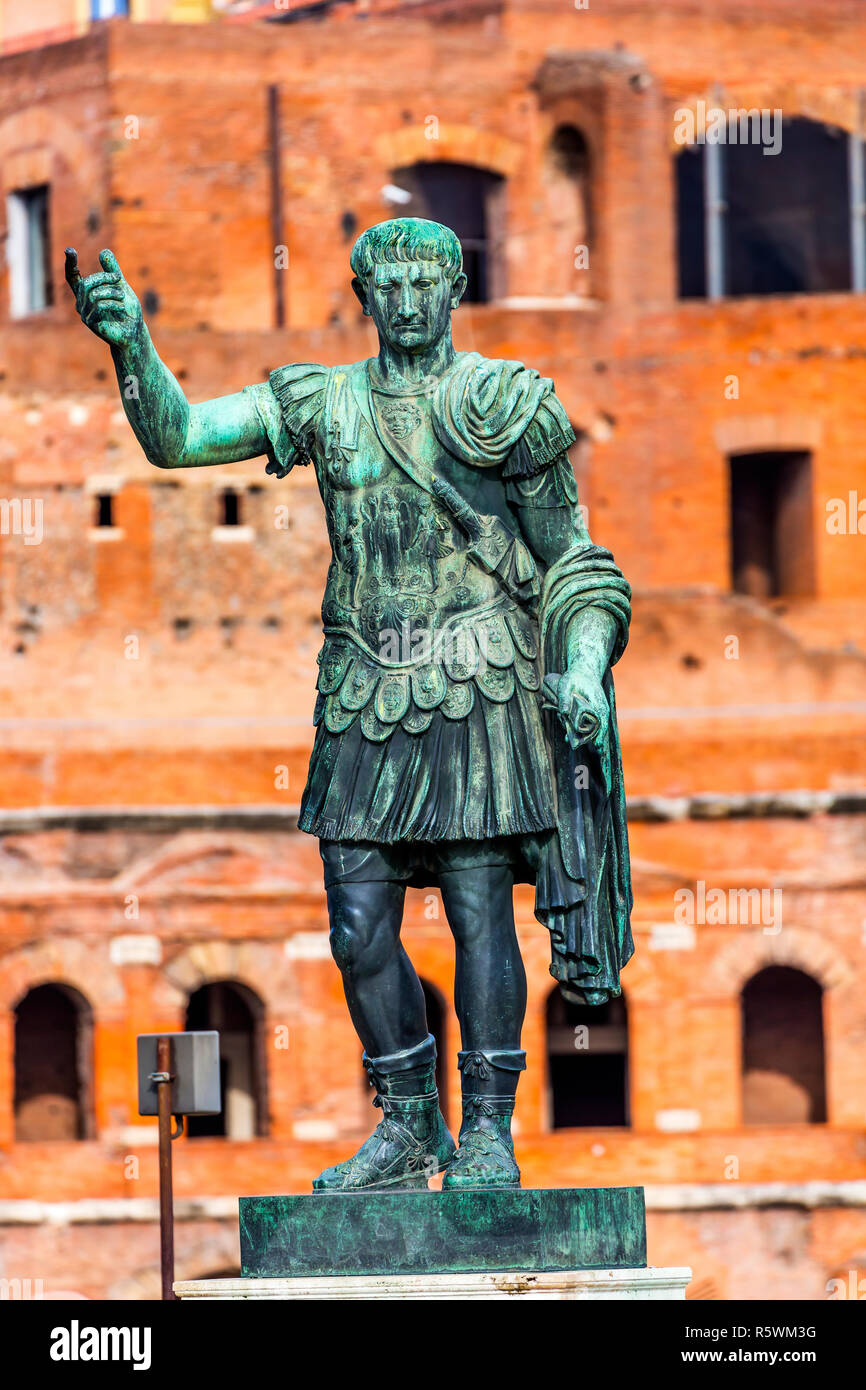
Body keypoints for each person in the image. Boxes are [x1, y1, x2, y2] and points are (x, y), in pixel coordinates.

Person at [66, 218, 633, 1191]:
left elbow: (574, 562)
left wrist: (579, 664)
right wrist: (130, 348)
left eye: (425, 283)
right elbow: (182, 437)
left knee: (475, 913)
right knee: (355, 925)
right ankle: (409, 1120)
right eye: (388, 285)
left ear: (453, 290)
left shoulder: (502, 405)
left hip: (476, 678)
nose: (407, 302)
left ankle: (489, 1128)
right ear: (362, 296)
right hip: (365, 686)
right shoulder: (321, 403)